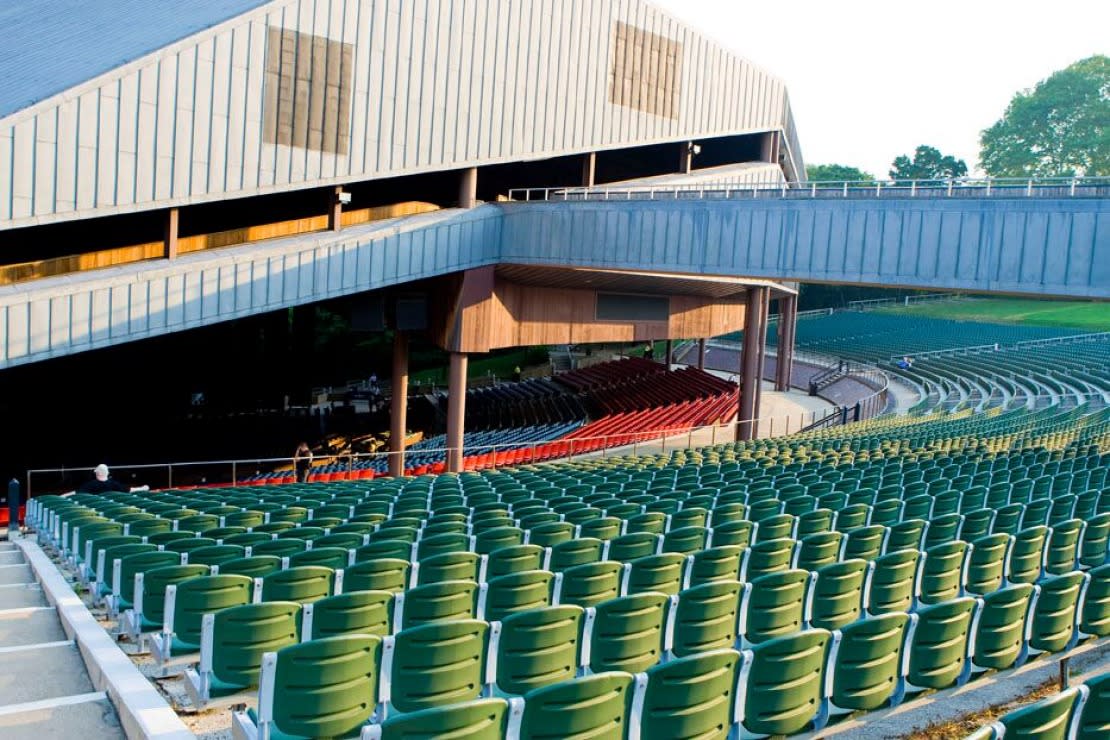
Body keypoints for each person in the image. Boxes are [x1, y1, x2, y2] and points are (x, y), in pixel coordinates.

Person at [76, 464, 148, 494]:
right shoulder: (114, 484)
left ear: (97, 473)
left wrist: (64, 496)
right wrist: (142, 488)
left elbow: (77, 493)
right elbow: (130, 490)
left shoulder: (90, 485)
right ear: (107, 473)